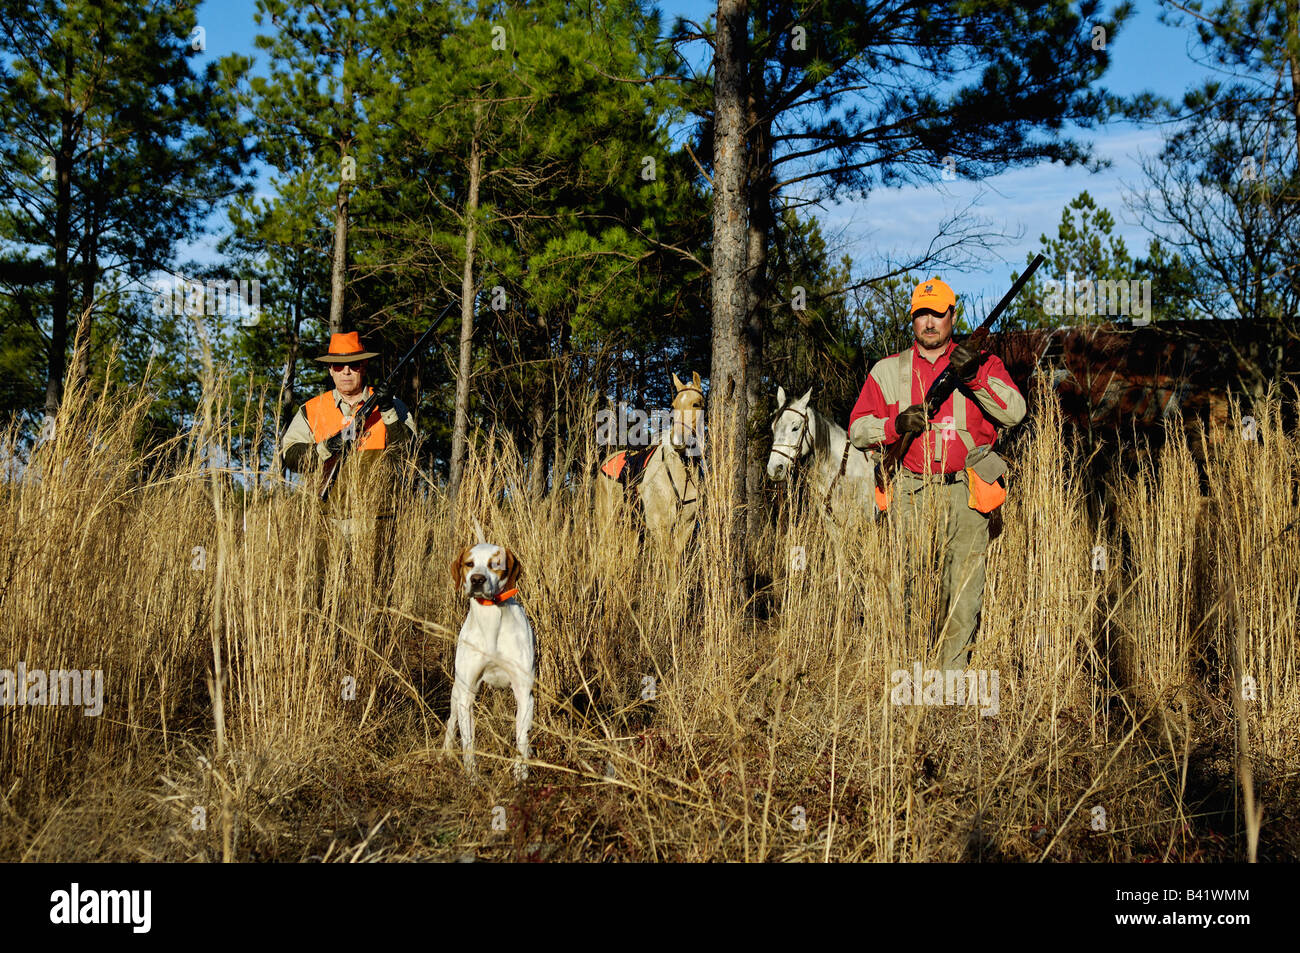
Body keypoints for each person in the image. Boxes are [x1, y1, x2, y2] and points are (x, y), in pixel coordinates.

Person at [848, 277, 1026, 671]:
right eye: (921, 314)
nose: (929, 322)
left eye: (938, 314)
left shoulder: (983, 363)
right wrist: (894, 426)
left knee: (963, 591)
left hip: (965, 491)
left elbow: (1015, 412)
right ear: (913, 319)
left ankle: (950, 681)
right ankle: (911, 674)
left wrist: (974, 377)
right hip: (910, 490)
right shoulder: (887, 370)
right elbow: (857, 428)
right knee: (909, 587)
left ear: (952, 316)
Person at [280, 331, 416, 545]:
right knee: (326, 578)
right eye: (338, 366)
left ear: (363, 366)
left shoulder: (392, 405)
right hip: (327, 519)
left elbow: (408, 452)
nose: (346, 371)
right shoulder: (311, 409)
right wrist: (326, 448)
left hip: (379, 518)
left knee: (377, 579)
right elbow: (289, 456)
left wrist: (387, 409)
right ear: (330, 371)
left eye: (354, 365)